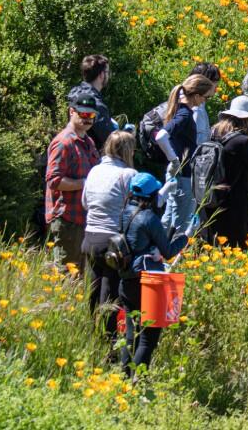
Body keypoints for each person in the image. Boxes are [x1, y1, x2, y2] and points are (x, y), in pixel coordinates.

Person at [118, 173, 194, 377]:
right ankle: (138, 383)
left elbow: (137, 241)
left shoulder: (125, 212)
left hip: (127, 281)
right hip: (148, 281)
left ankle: (124, 379)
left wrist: (153, 248)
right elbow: (169, 251)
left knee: (131, 334)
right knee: (148, 338)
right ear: (151, 196)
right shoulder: (149, 218)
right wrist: (186, 236)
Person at [80, 131, 138, 344]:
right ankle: (108, 343)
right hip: (113, 240)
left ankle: (91, 337)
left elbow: (85, 203)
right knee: (110, 295)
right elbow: (133, 209)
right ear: (128, 151)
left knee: (93, 293)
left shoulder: (94, 170)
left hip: (90, 236)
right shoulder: (129, 174)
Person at [197, 97, 248, 250]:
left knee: (212, 247)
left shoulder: (213, 134)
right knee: (234, 248)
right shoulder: (242, 142)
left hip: (211, 199)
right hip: (234, 206)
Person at [45, 96, 102, 269]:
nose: (87, 119)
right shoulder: (63, 142)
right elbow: (54, 180)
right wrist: (85, 183)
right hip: (67, 218)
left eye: (91, 116)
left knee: (80, 274)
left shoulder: (88, 142)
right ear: (72, 112)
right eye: (83, 114)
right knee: (66, 272)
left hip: (84, 218)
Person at [154, 74, 216, 233]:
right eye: (205, 98)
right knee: (181, 224)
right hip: (183, 175)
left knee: (168, 219)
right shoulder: (185, 114)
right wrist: (174, 160)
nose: (205, 101)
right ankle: (175, 255)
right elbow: (161, 136)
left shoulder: (178, 110)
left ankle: (157, 253)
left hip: (176, 174)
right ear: (196, 96)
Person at [67, 54, 114, 150]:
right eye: (107, 72)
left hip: (74, 150)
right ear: (101, 75)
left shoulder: (74, 93)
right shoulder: (96, 104)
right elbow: (110, 141)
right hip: (90, 157)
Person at [189, 62, 222, 146]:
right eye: (215, 84)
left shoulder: (190, 100)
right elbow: (197, 142)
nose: (216, 89)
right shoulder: (196, 108)